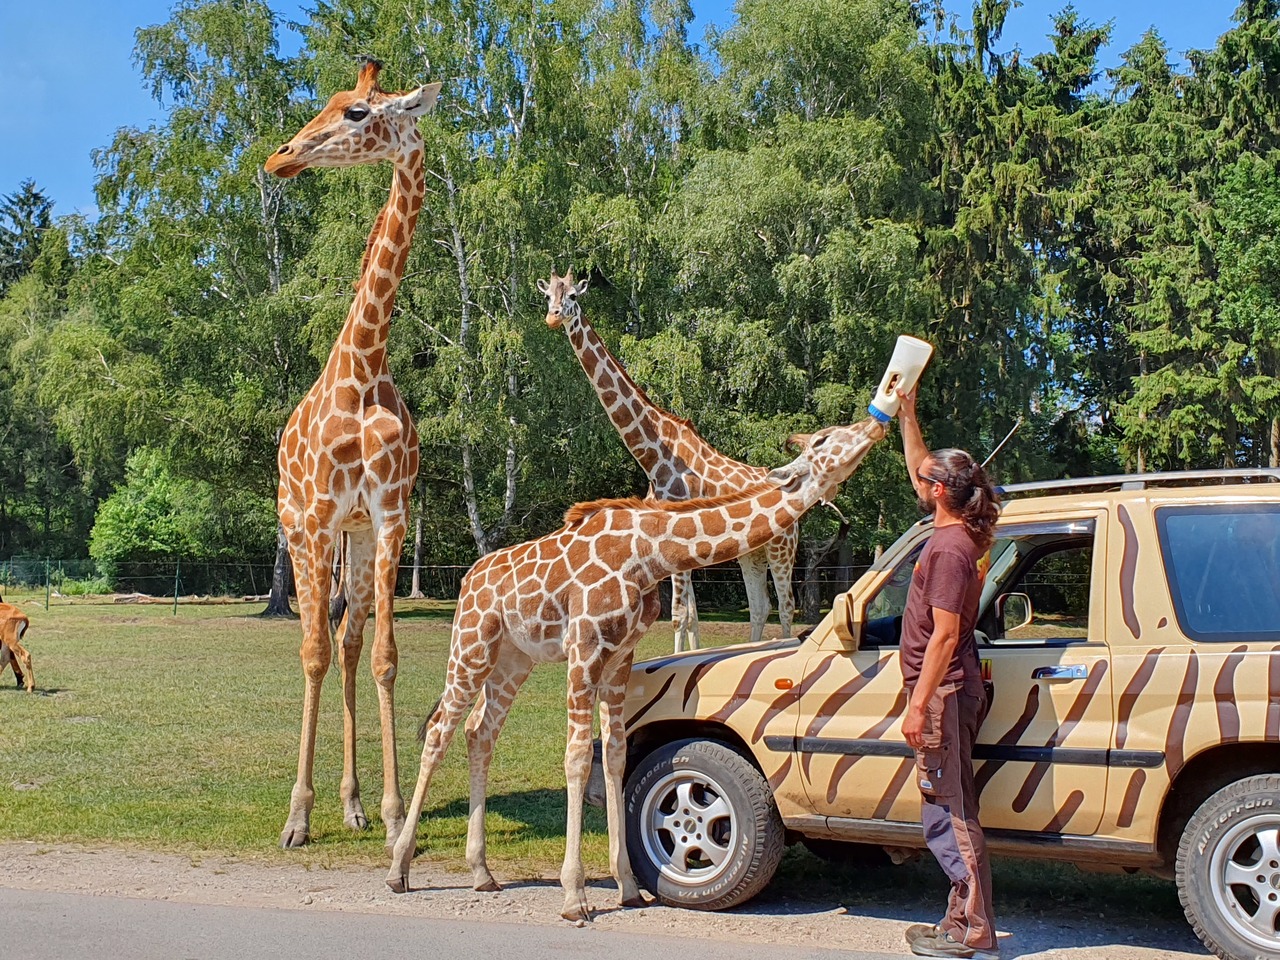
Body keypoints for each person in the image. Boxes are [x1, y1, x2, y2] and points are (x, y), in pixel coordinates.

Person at [895, 387, 1002, 960]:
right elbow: (921, 466)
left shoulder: (948, 550)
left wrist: (918, 704)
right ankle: (958, 920)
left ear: (940, 491)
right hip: (951, 689)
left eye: (925, 479)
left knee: (949, 812)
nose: (918, 480)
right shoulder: (963, 532)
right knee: (948, 804)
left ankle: (974, 931)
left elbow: (942, 635)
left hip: (942, 692)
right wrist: (908, 414)